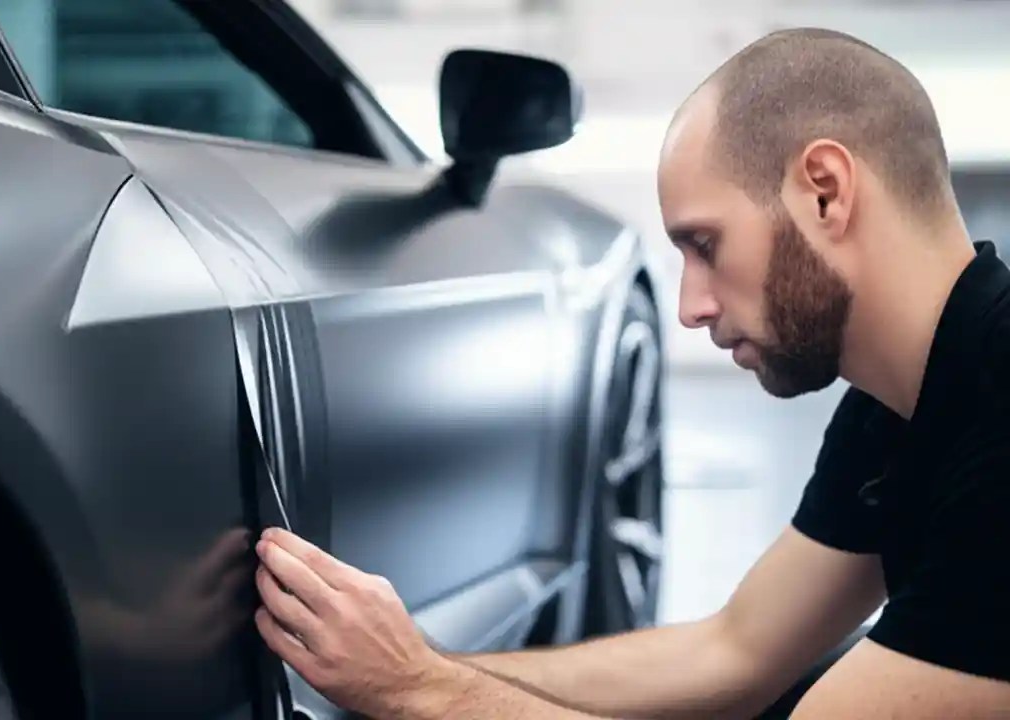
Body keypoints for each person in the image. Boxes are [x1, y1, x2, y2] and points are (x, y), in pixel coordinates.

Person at [253, 27, 1010, 719]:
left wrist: (420, 690)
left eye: (705, 245)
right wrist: (413, 665)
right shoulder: (899, 407)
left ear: (825, 191)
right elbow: (734, 652)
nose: (688, 306)